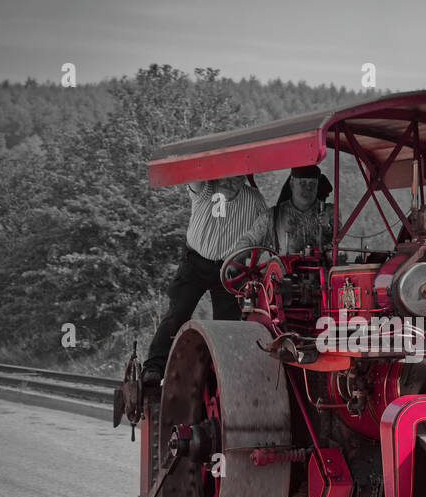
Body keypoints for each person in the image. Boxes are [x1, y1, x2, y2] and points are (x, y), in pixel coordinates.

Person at [142, 174, 266, 386]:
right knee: (177, 313)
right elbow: (193, 172)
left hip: (230, 268)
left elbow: (266, 228)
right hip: (195, 263)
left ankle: (222, 378)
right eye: (226, 176)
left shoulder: (254, 200)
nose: (229, 182)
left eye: (237, 178)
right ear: (218, 173)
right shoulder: (205, 188)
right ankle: (153, 369)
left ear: (245, 177)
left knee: (228, 326)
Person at [229, 164, 334, 259]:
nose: (308, 188)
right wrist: (236, 261)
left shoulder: (330, 212)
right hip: (284, 276)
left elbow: (336, 240)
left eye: (313, 183)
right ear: (292, 183)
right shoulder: (273, 216)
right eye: (302, 183)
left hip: (323, 276)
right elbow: (250, 240)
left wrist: (327, 226)